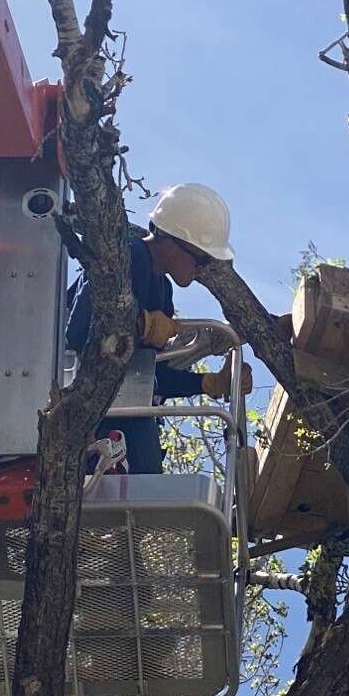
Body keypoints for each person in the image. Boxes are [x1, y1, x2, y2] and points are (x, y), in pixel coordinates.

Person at [65, 182, 251, 477]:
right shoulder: (128, 253)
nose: (202, 268)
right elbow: (77, 332)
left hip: (125, 424)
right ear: (172, 241)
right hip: (85, 412)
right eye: (201, 257)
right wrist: (142, 325)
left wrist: (208, 383)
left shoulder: (162, 291)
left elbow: (145, 376)